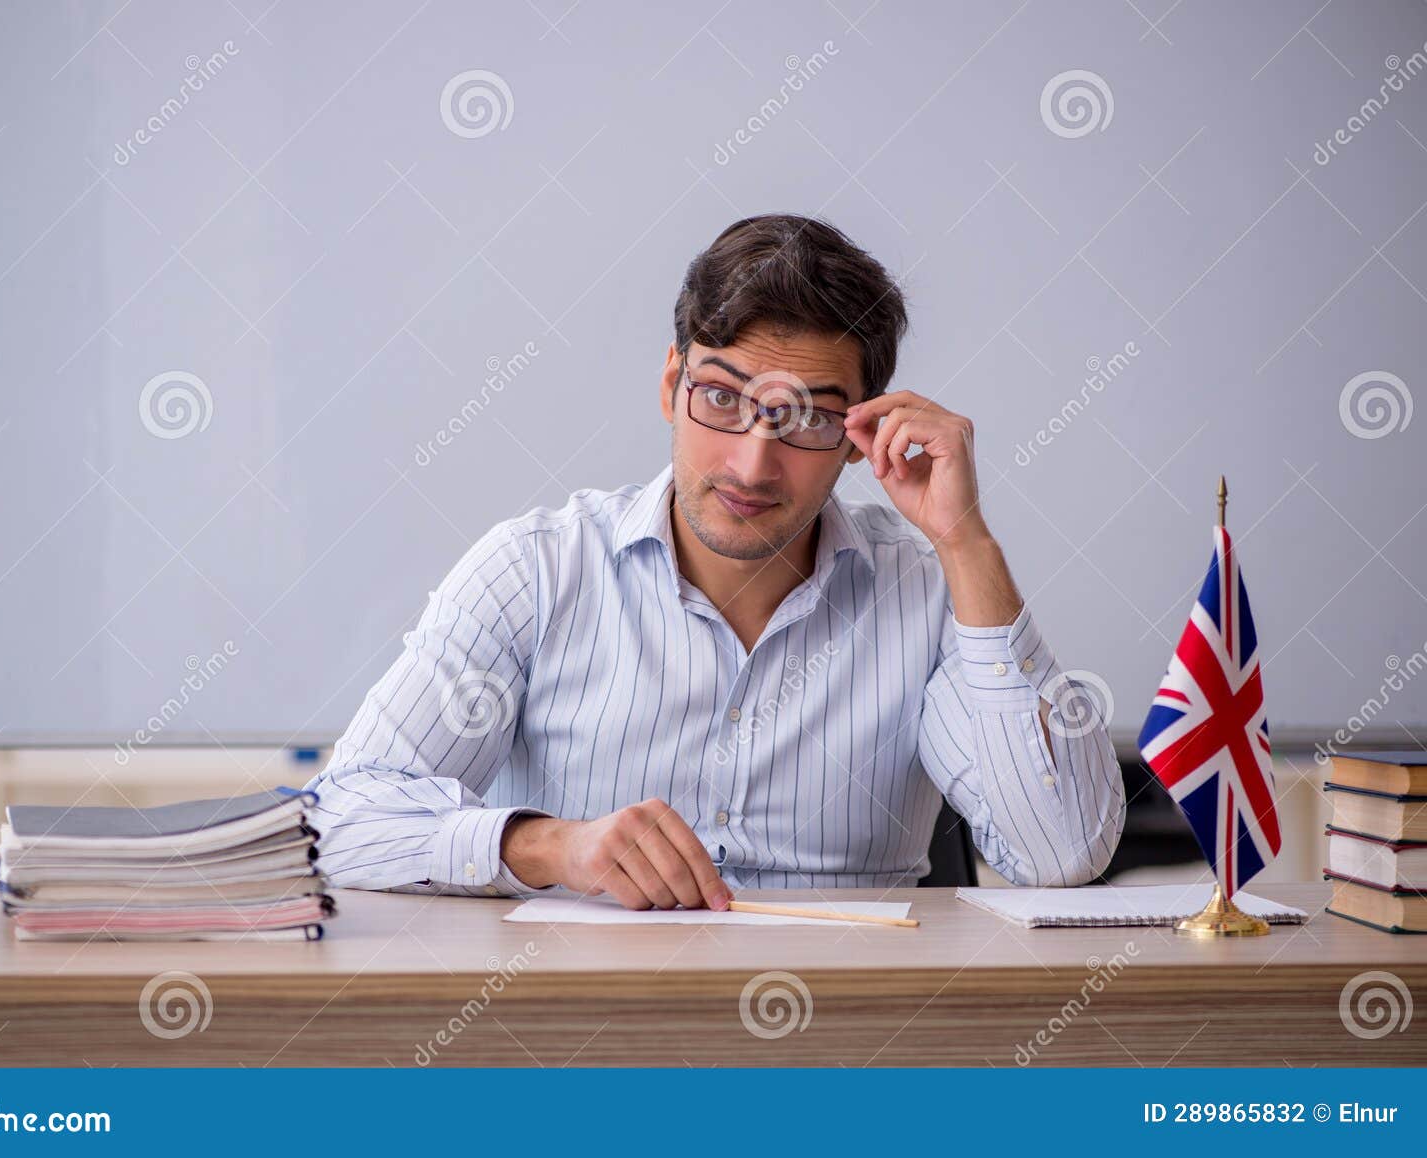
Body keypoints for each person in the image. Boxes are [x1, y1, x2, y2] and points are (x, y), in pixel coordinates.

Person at [306, 214, 1125, 910]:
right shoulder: (537, 571)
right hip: (587, 1046)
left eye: (803, 420)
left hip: (856, 1048)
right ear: (672, 386)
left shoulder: (926, 589)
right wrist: (549, 848)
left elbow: (1059, 855)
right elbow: (338, 819)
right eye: (723, 399)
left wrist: (966, 542)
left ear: (859, 437)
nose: (751, 465)